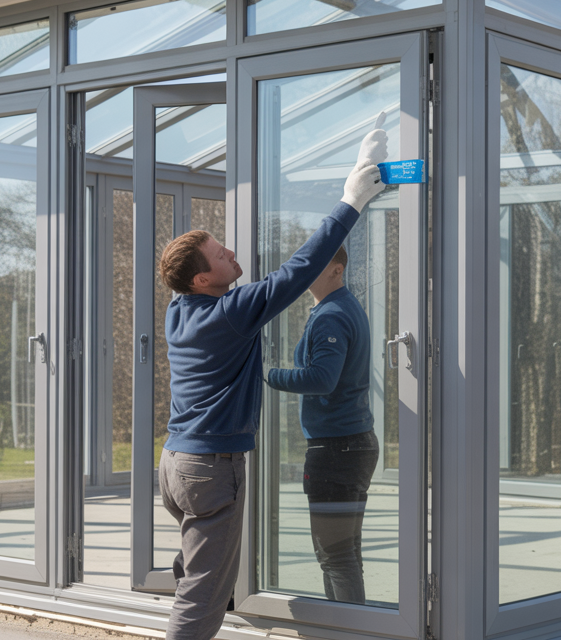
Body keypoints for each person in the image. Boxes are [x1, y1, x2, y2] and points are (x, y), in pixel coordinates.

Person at [155, 128, 388, 640]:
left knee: (193, 569)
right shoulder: (229, 314)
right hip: (211, 469)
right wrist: (352, 199)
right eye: (220, 255)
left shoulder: (179, 311)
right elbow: (300, 269)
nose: (231, 252)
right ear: (201, 280)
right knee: (206, 592)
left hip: (175, 465)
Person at [266, 245, 378, 605]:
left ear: (337, 270)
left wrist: (267, 374)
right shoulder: (339, 307)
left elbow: (321, 379)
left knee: (336, 556)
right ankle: (352, 628)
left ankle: (347, 630)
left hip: (336, 450)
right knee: (345, 554)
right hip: (350, 444)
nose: (306, 269)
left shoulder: (331, 314)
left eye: (317, 263)